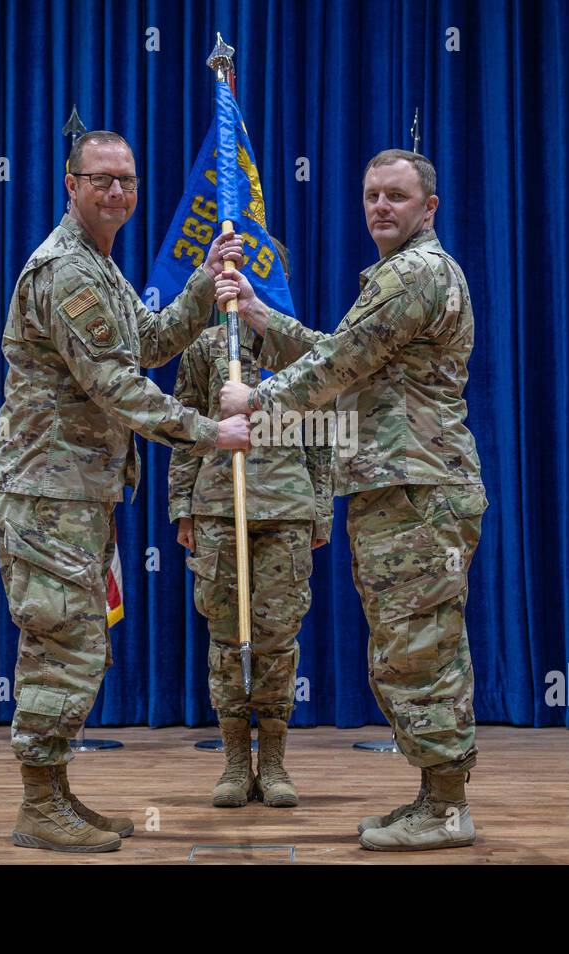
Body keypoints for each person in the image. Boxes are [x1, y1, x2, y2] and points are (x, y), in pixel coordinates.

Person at [217, 149, 487, 851]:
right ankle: (434, 796)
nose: (380, 207)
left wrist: (258, 397)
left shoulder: (416, 274)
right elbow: (345, 351)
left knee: (422, 651)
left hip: (416, 488)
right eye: (371, 195)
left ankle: (448, 807)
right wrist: (259, 315)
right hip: (398, 485)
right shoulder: (401, 276)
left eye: (396, 196)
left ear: (430, 207)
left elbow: (338, 365)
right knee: (407, 650)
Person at [0, 129, 251, 852]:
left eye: (127, 181)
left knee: (75, 643)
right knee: (59, 645)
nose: (116, 192)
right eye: (100, 179)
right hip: (50, 491)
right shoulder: (66, 271)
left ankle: (56, 794)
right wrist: (210, 433)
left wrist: (204, 279)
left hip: (77, 489)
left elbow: (154, 340)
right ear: (70, 186)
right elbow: (118, 387)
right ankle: (38, 805)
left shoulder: (101, 267)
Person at [169, 303, 332, 808]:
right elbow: (184, 425)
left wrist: (320, 513)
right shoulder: (206, 347)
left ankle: (276, 761)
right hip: (219, 505)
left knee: (279, 636)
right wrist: (183, 507)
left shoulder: (301, 351)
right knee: (225, 635)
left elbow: (323, 436)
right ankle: (237, 762)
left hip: (286, 506)